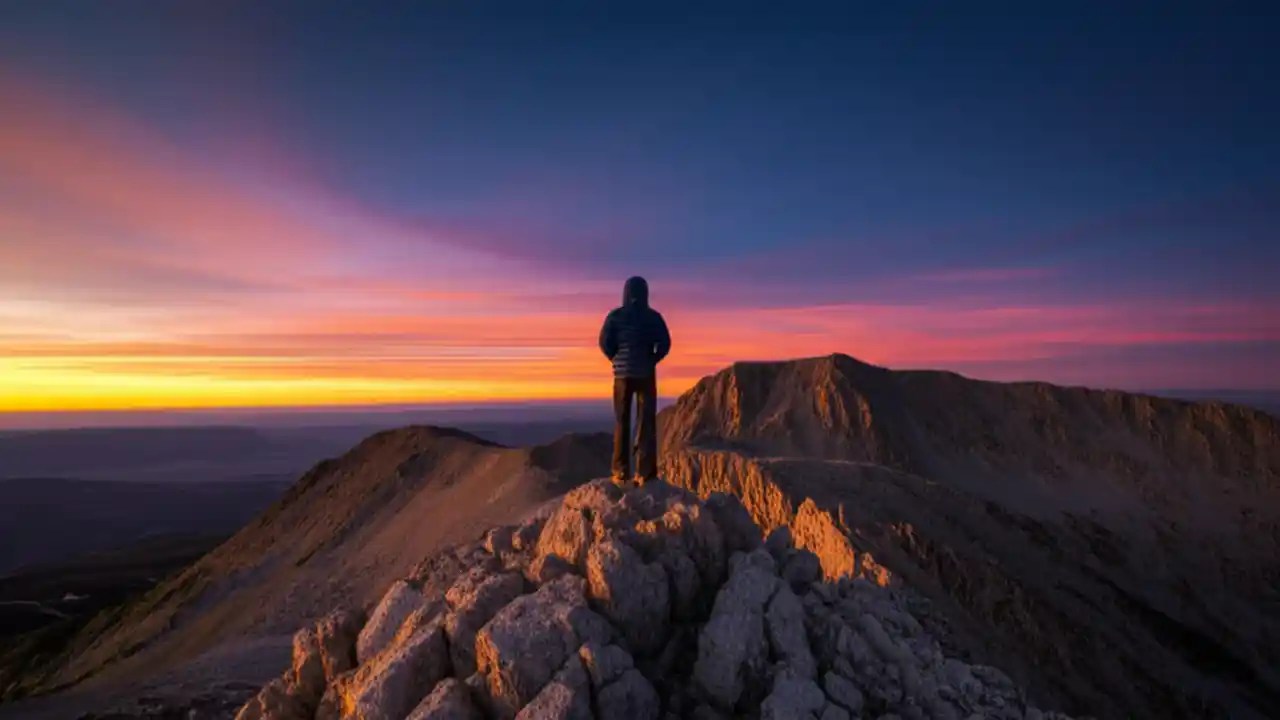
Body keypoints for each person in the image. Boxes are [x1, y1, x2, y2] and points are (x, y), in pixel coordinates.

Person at [598, 276, 671, 486]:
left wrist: (616, 358)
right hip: (646, 374)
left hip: (621, 376)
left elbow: (604, 342)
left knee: (622, 423)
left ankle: (620, 472)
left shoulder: (615, 316)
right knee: (645, 423)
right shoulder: (653, 317)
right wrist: (652, 359)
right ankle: (645, 472)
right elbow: (665, 343)